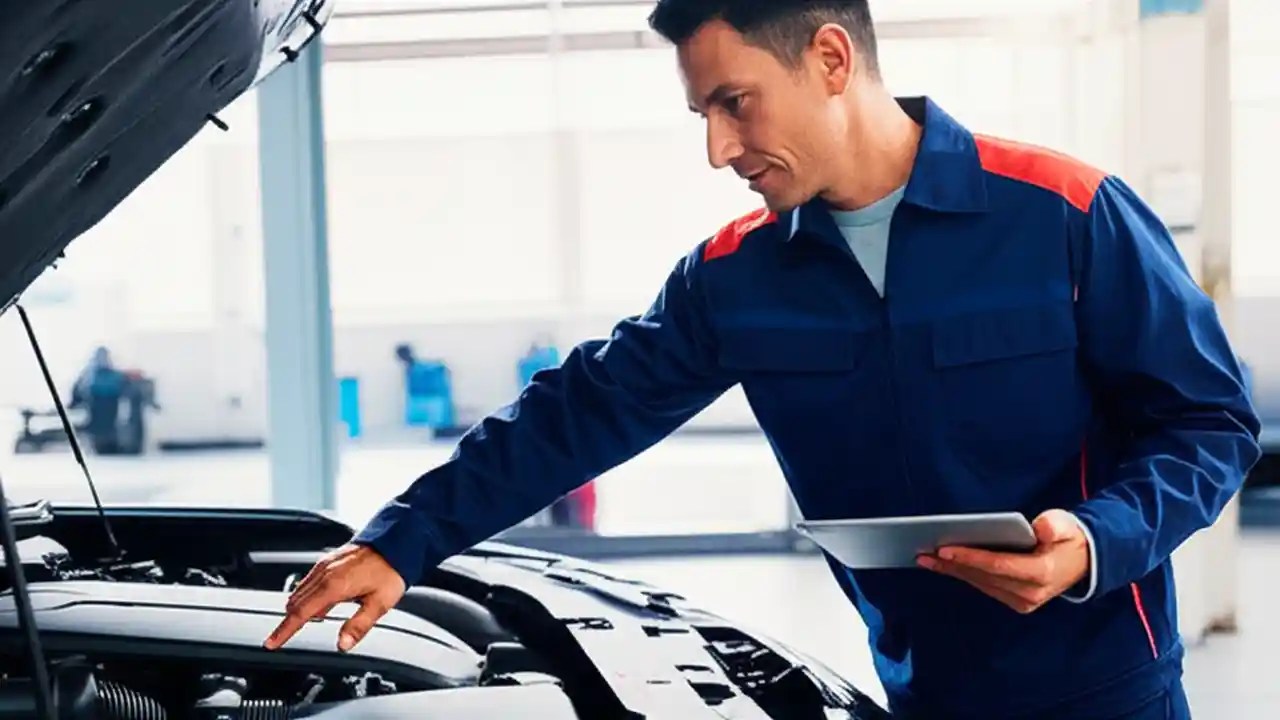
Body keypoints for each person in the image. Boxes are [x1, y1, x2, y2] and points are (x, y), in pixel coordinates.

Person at [263, 2, 1261, 717]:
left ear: (830, 58)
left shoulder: (1064, 212)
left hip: (1103, 684)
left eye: (734, 102)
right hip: (918, 686)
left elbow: (1205, 422)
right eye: (702, 112)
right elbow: (579, 410)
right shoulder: (735, 278)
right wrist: (400, 541)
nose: (716, 147)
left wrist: (1094, 540)